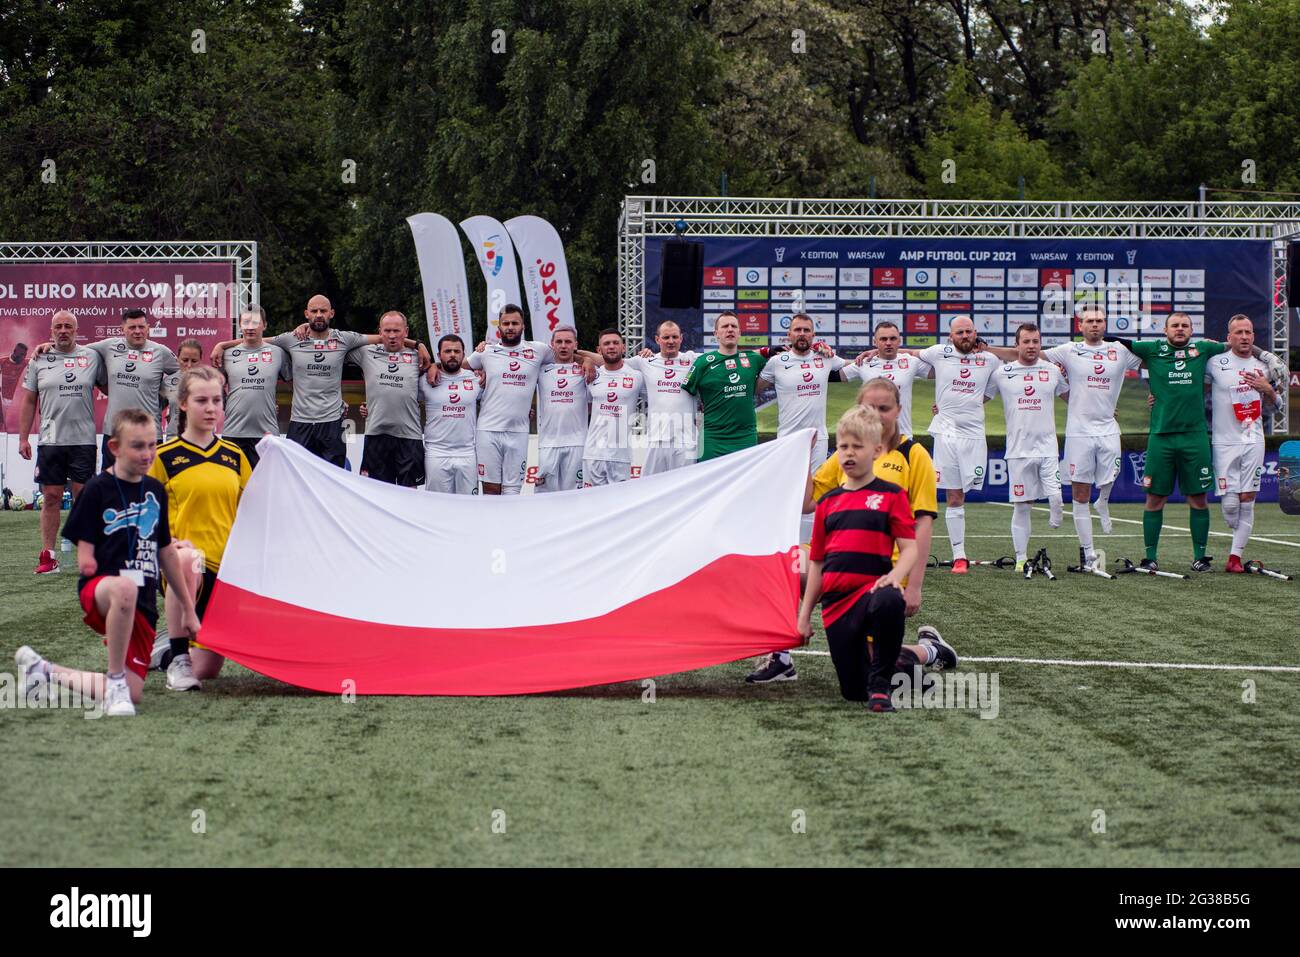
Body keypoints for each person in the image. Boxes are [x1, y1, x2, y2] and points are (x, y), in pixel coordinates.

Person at [15, 409, 200, 717]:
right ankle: (114, 680)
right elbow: (82, 538)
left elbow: (165, 551)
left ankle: (42, 671)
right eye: (137, 446)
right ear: (114, 448)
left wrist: (190, 612)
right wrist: (86, 560)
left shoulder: (155, 490)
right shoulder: (97, 489)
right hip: (101, 591)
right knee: (124, 588)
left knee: (135, 692)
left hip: (142, 605)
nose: (147, 454)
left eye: (152, 445)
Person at [797, 404, 919, 712]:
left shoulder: (892, 495)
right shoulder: (828, 502)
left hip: (872, 593)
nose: (849, 454)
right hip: (837, 605)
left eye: (857, 447)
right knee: (852, 691)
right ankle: (909, 666)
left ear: (876, 451)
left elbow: (910, 548)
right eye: (843, 447)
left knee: (890, 599)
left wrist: (895, 577)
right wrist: (803, 616)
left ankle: (881, 688)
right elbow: (818, 563)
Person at [210, 295, 427, 467]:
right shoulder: (291, 338)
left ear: (332, 313)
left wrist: (418, 345)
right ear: (307, 314)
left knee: (333, 479)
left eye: (323, 310)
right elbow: (257, 339)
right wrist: (223, 344)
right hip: (300, 422)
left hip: (332, 423)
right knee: (296, 479)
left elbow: (385, 337)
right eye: (314, 311)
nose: (319, 314)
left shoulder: (344, 339)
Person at [147, 366, 251, 689]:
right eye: (201, 400)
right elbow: (141, 514)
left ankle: (166, 650)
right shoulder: (164, 457)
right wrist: (165, 542)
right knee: (185, 558)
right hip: (183, 569)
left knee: (206, 667)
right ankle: (178, 659)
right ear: (183, 404)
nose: (210, 409)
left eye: (217, 401)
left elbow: (256, 511)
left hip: (226, 574)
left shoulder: (235, 456)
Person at [1105, 312, 1230, 571]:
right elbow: (1119, 342)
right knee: (1154, 499)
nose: (1180, 329)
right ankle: (1150, 557)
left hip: (1194, 437)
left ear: (1192, 330)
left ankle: (1200, 557)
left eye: (1185, 325)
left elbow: (1235, 345)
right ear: (1165, 330)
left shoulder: (1203, 348)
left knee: (1198, 499)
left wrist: (1263, 355)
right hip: (1161, 437)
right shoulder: (1152, 349)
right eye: (1175, 325)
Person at [1038, 306, 1141, 569]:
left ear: (1105, 324)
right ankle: (1088, 553)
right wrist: (986, 350)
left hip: (1108, 428)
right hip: (1079, 432)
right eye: (1090, 321)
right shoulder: (1069, 350)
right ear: (1080, 326)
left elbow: (1157, 362)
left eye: (1099, 320)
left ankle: (1103, 502)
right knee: (1080, 491)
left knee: (1110, 477)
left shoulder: (1120, 351)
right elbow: (1028, 354)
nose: (1095, 324)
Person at [16, 309, 103, 575]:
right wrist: (23, 438)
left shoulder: (92, 356)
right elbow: (29, 400)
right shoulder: (39, 359)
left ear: (76, 331)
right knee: (51, 497)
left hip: (83, 440)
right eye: (58, 327)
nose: (63, 330)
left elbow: (113, 386)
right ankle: (48, 556)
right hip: (50, 439)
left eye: (68, 326)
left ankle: (89, 557)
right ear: (52, 331)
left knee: (83, 498)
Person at [915, 315, 999, 573]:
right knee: (953, 494)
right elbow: (905, 353)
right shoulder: (938, 353)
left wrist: (964, 406)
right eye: (959, 332)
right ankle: (959, 555)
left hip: (974, 435)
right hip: (946, 433)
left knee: (967, 490)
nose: (964, 336)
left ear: (976, 333)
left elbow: (988, 394)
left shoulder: (990, 360)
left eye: (968, 331)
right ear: (950, 336)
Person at [983, 324, 1070, 570]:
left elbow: (1072, 398)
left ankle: (1056, 518)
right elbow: (980, 399)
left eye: (1035, 341)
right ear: (1017, 345)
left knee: (1056, 498)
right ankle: (1021, 558)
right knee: (1023, 505)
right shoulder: (1003, 373)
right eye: (1026, 341)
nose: (1031, 346)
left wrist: (1102, 410)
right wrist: (947, 407)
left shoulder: (1052, 370)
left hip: (1048, 449)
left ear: (1040, 344)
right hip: (1018, 451)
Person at [1205, 314, 1283, 572]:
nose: (1244, 336)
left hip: (1253, 440)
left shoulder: (1265, 367)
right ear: (1229, 337)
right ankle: (1233, 542)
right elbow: (1189, 386)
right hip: (1224, 442)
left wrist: (1267, 389)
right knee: (1229, 507)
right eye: (1238, 332)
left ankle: (1234, 559)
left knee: (1247, 498)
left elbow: (1277, 406)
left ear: (1253, 336)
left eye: (1248, 332)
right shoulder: (1215, 363)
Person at [462, 304, 558, 494]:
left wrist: (587, 361)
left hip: (518, 432)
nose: (510, 327)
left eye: (515, 323)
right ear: (499, 328)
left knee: (512, 492)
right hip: (488, 430)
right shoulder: (486, 352)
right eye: (506, 323)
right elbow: (458, 367)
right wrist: (434, 367)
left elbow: (568, 355)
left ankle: (509, 525)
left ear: (523, 326)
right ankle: (491, 525)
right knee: (490, 489)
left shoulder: (538, 350)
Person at [758, 313, 849, 471]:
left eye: (806, 330)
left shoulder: (825, 357)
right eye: (797, 329)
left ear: (813, 335)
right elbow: (754, 389)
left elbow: (856, 366)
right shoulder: (776, 362)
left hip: (818, 438)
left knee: (816, 488)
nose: (802, 333)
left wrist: (869, 355)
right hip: (787, 438)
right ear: (789, 334)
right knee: (790, 487)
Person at [681, 312, 769, 461]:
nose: (730, 329)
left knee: (745, 484)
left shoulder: (754, 359)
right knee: (709, 483)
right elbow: (685, 398)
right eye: (725, 326)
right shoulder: (702, 362)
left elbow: (789, 358)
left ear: (739, 333)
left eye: (734, 326)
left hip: (745, 438)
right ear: (716, 334)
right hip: (712, 439)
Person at [352, 311, 424, 487]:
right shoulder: (366, 353)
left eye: (397, 331)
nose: (392, 336)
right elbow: (339, 345)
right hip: (377, 434)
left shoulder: (418, 358)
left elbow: (441, 370)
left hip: (409, 436)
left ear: (405, 331)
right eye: (387, 331)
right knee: (378, 493)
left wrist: (419, 347)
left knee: (410, 494)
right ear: (380, 332)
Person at [215, 305, 290, 468]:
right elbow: (216, 388)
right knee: (234, 490)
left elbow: (296, 381)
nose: (250, 327)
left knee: (266, 489)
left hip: (266, 434)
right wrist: (227, 405)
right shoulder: (227, 354)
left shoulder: (278, 353)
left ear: (264, 325)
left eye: (255, 322)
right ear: (240, 325)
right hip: (233, 434)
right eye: (246, 322)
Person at [623, 320, 700, 475]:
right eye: (666, 338)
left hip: (685, 441)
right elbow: (612, 364)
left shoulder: (693, 359)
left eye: (674, 337)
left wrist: (763, 352)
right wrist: (587, 360)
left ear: (681, 338)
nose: (670, 341)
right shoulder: (645, 361)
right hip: (656, 439)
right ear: (657, 339)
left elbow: (722, 357)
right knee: (650, 489)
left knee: (685, 489)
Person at [419, 334, 483, 494]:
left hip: (467, 452)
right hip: (436, 452)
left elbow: (496, 402)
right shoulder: (425, 380)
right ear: (439, 355)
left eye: (457, 351)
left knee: (468, 507)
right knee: (437, 506)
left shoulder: (476, 379)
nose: (453, 354)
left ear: (463, 354)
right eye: (448, 351)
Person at [843, 321, 928, 437]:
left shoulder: (911, 362)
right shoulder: (864, 363)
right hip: (872, 438)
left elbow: (942, 371)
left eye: (893, 339)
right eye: (883, 339)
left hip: (902, 437)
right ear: (875, 342)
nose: (888, 343)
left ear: (899, 341)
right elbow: (830, 375)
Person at [584, 329, 646, 486]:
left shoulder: (637, 376)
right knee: (592, 506)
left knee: (619, 505)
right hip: (593, 454)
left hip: (621, 456)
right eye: (606, 343)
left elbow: (659, 396)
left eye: (615, 343)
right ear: (599, 350)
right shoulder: (592, 375)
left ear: (623, 347)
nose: (611, 346)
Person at [535, 326, 591, 493]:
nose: (563, 345)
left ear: (575, 344)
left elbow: (610, 363)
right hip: (548, 444)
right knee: (544, 498)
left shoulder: (586, 370)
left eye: (568, 342)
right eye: (559, 342)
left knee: (575, 497)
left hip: (577, 444)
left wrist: (586, 359)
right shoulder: (541, 370)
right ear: (552, 344)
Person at [161, 338, 205, 440]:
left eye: (194, 361)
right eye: (185, 360)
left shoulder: (209, 382)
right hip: (174, 440)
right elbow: (154, 409)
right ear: (177, 359)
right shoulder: (168, 382)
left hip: (200, 440)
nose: (189, 365)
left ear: (200, 360)